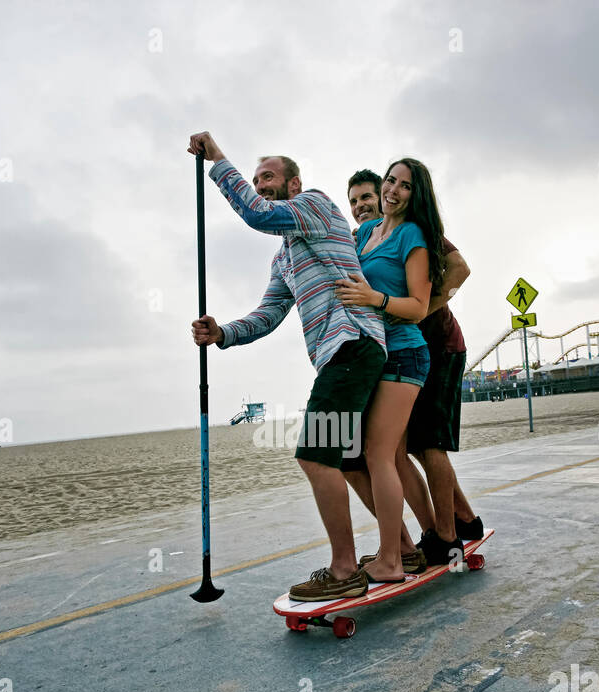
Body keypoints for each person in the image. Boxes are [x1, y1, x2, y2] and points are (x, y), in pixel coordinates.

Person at [186, 131, 393, 601]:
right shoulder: (284, 258)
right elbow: (268, 315)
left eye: (268, 177)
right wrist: (222, 334)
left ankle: (345, 570)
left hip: (352, 341)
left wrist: (217, 159)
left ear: (294, 184)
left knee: (314, 454)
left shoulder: (316, 206)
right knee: (350, 459)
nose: (260, 186)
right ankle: (400, 547)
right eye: (256, 179)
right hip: (339, 355)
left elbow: (257, 215)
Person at [342, 168, 484, 566]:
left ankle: (447, 537)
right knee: (400, 449)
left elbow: (460, 270)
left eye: (366, 197)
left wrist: (422, 311)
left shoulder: (411, 229)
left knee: (427, 444)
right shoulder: (366, 238)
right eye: (353, 202)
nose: (361, 206)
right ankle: (465, 521)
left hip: (438, 346)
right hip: (394, 353)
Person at [334, 159, 437, 581]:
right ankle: (401, 549)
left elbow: (418, 306)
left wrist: (374, 299)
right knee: (353, 455)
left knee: (379, 454)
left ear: (416, 195)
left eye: (404, 186)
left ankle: (391, 559)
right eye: (391, 180)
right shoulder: (366, 234)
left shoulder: (412, 235)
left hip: (404, 354)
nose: (394, 190)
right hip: (370, 356)